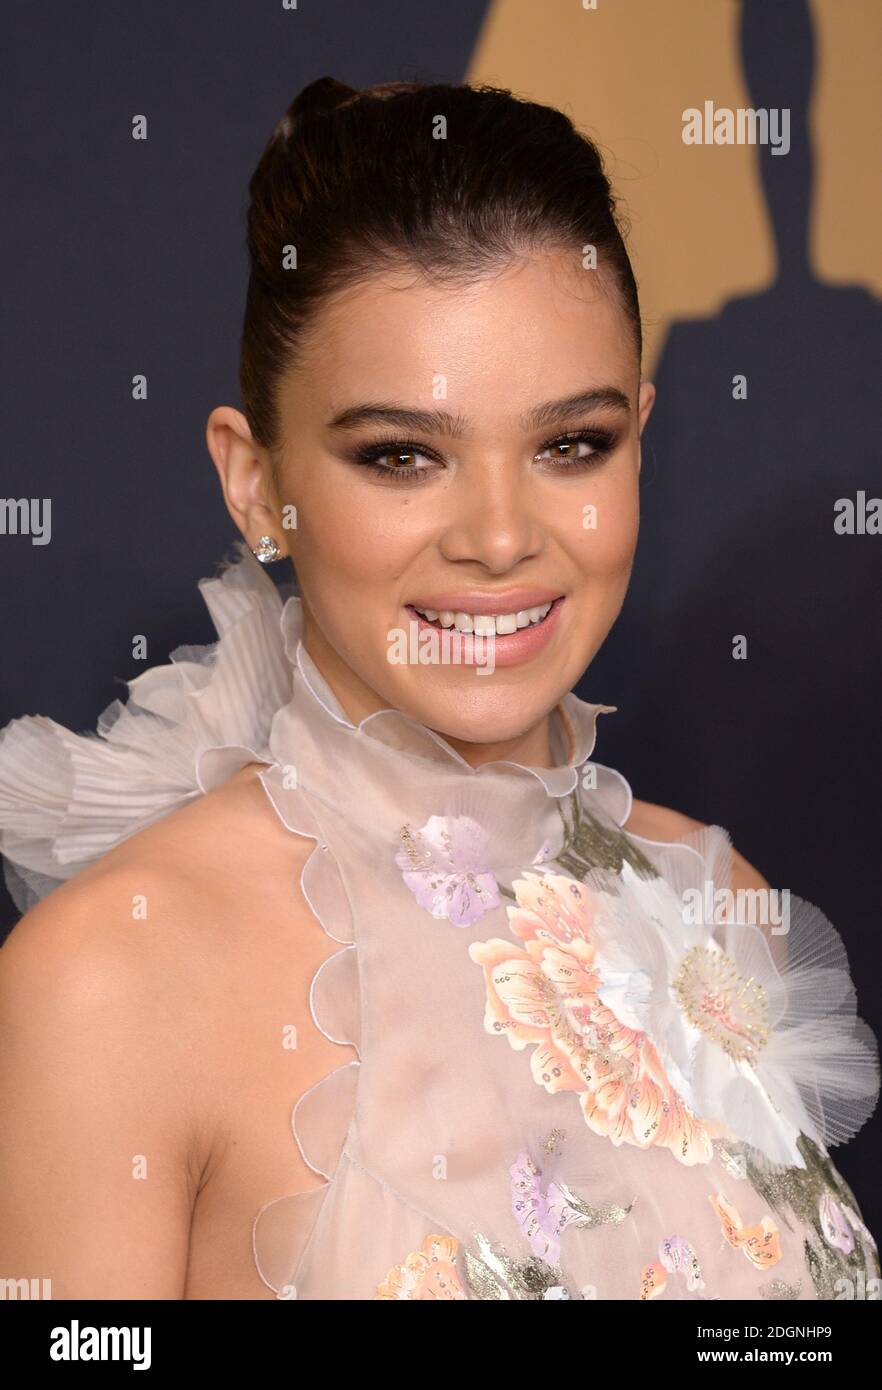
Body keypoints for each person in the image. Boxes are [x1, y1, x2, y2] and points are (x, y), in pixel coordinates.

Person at [0, 77, 878, 1302]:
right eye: (403, 456)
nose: (502, 537)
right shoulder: (109, 981)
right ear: (256, 485)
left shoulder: (723, 910)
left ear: (643, 434)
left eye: (572, 443)